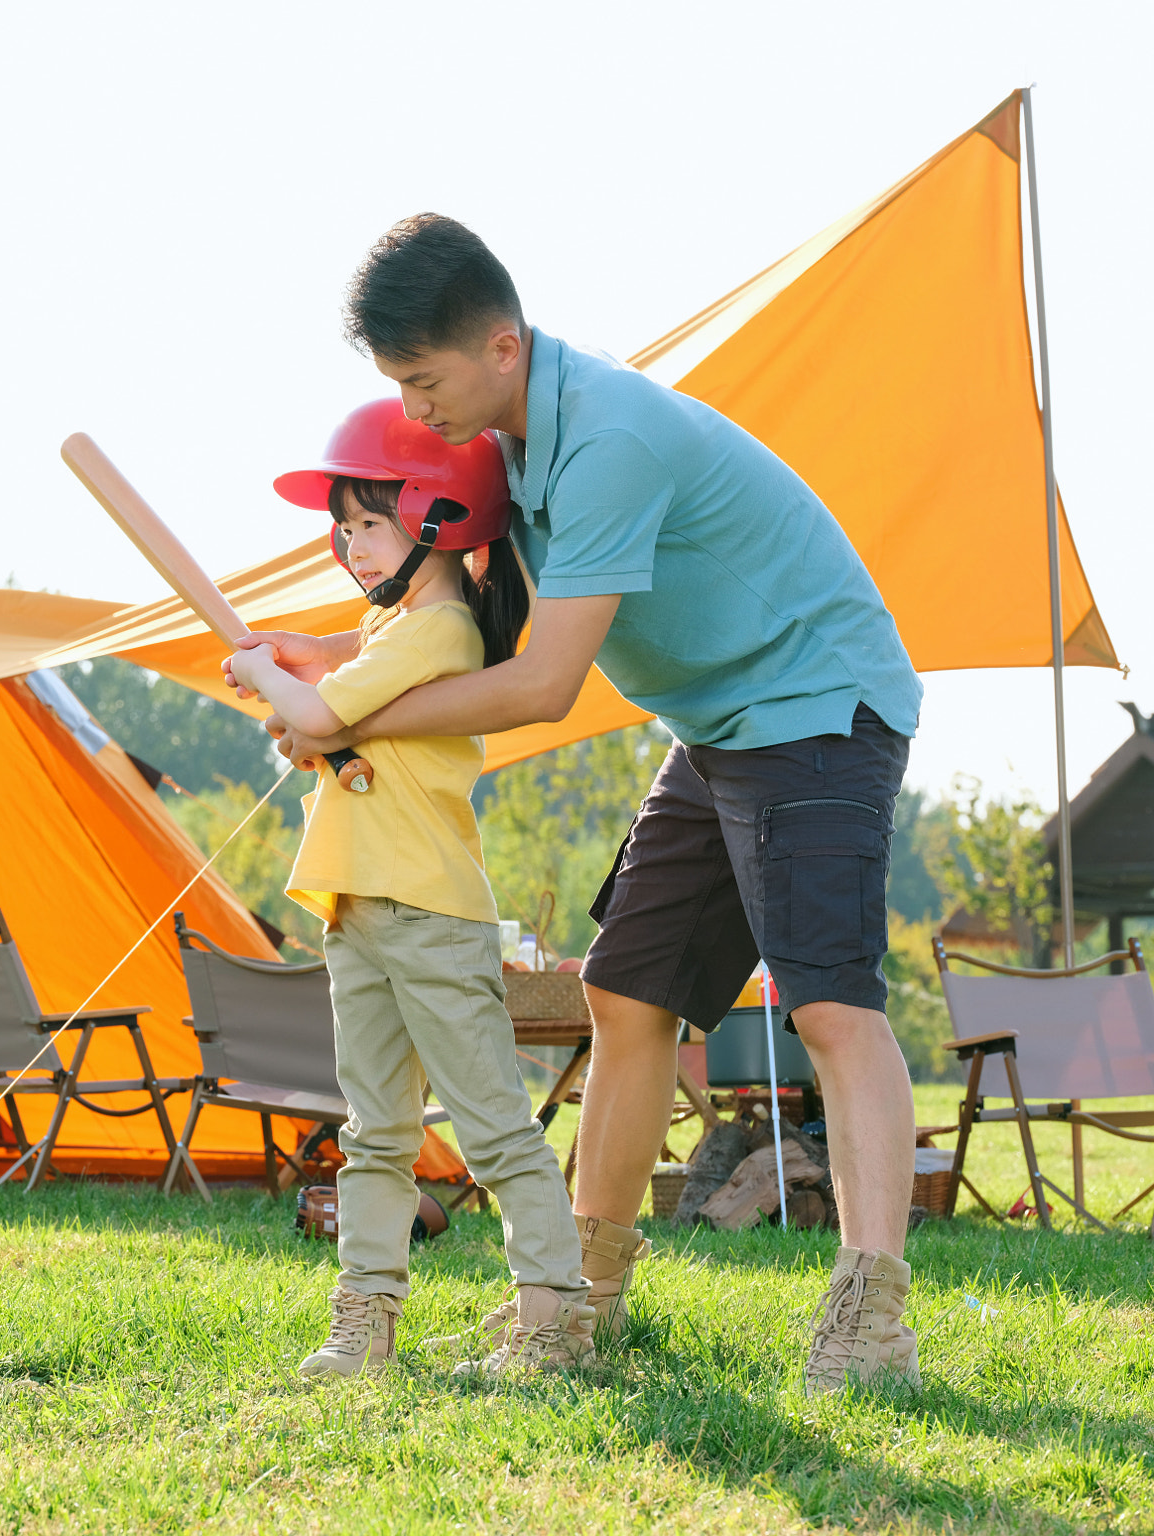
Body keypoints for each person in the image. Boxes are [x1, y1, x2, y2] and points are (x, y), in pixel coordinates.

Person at [235, 215, 925, 1394]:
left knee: (827, 1009)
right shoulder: (507, 449)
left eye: (422, 381)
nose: (414, 410)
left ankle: (871, 1322)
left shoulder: (602, 441)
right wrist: (334, 666)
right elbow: (468, 629)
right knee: (625, 988)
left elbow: (543, 687)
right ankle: (585, 1300)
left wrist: (341, 719)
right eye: (396, 385)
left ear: (499, 346)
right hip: (714, 727)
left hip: (815, 709)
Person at [229, 399, 592, 1381]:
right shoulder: (386, 630)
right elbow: (325, 721)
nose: (347, 543)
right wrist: (304, 717)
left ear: (436, 521)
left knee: (490, 1127)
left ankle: (552, 1322)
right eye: (339, 525)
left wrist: (271, 678)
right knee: (376, 1133)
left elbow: (314, 706)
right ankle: (364, 1321)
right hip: (357, 909)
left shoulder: (434, 632)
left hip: (428, 915)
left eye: (367, 520)